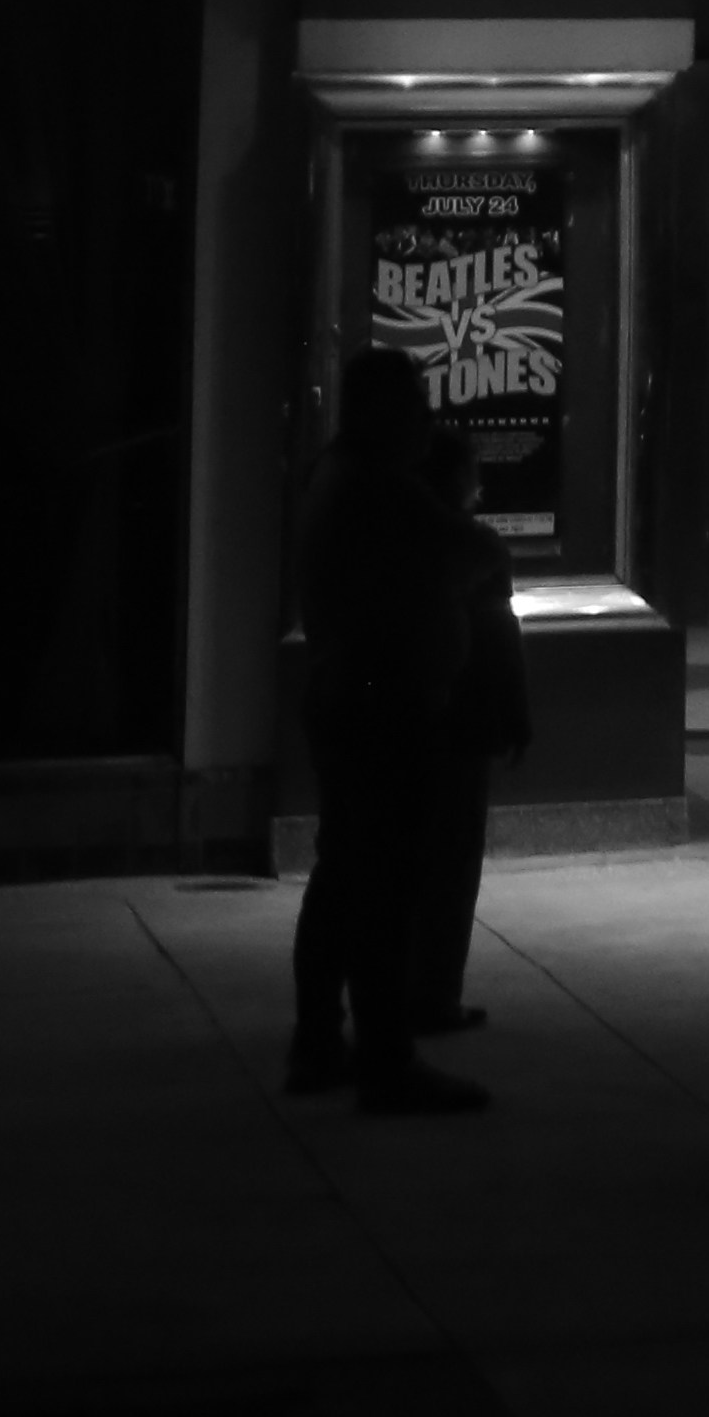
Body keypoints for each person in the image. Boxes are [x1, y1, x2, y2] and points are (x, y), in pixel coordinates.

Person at [286, 345, 486, 1117]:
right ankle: (384, 1058)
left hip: (353, 696)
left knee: (344, 877)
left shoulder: (342, 477)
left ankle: (321, 1041)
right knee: (382, 888)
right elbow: (475, 550)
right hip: (381, 704)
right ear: (377, 412)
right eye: (413, 408)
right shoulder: (375, 487)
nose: (426, 424)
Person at [413, 430, 533, 1038]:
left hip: (405, 718)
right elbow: (499, 638)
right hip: (465, 721)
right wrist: (517, 715)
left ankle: (397, 991)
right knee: (455, 863)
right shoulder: (479, 547)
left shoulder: (395, 542)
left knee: (405, 863)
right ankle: (436, 994)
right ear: (464, 481)